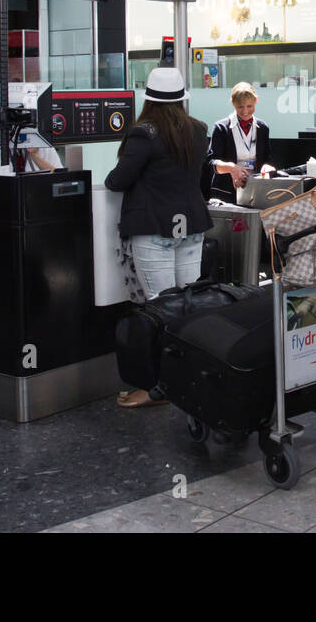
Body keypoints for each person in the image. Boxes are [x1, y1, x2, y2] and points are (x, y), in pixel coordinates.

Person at [105, 67, 210, 409]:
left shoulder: (143, 133)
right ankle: (193, 379)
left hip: (154, 230)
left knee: (161, 310)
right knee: (190, 308)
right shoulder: (198, 130)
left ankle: (157, 388)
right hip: (190, 227)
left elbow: (117, 181)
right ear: (182, 98)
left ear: (147, 98)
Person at [205, 82, 273, 201]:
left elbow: (266, 159)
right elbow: (211, 163)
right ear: (233, 103)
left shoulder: (262, 128)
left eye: (249, 106)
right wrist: (231, 168)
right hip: (226, 192)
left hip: (256, 190)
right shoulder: (221, 127)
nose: (245, 111)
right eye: (240, 107)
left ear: (255, 101)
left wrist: (267, 167)